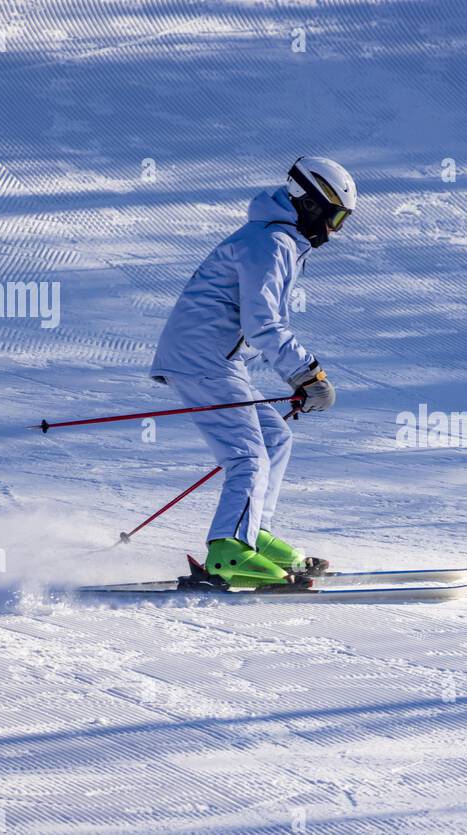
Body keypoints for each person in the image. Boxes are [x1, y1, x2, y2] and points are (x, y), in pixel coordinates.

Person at [149, 156, 356, 587]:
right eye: (334, 217)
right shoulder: (272, 243)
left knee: (274, 436)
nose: (335, 231)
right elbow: (262, 324)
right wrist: (307, 375)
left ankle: (252, 534)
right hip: (202, 359)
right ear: (311, 204)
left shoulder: (276, 238)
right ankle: (228, 549)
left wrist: (299, 375)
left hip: (214, 359)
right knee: (246, 454)